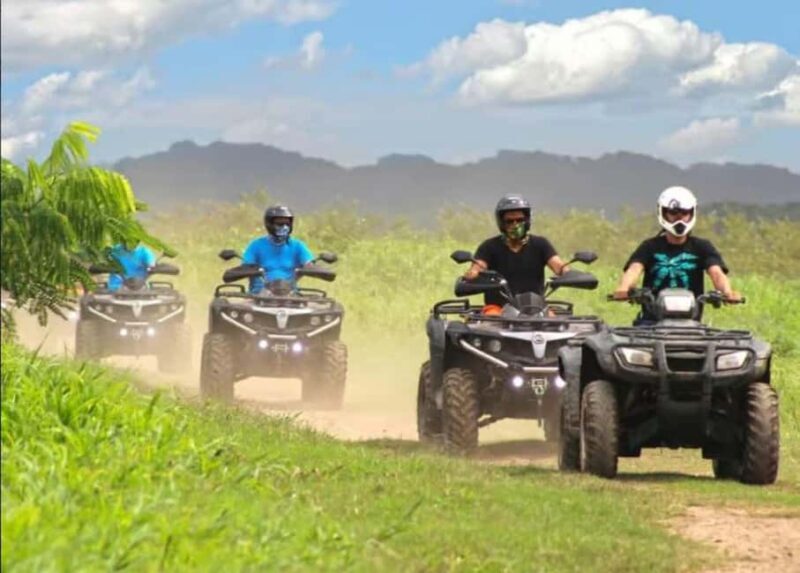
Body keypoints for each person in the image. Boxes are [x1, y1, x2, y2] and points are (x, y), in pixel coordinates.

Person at [613, 185, 741, 323]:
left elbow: (716, 273)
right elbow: (634, 269)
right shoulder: (649, 246)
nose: (679, 219)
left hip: (691, 322)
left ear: (691, 214)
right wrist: (623, 288)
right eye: (673, 213)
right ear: (663, 213)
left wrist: (727, 292)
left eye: (684, 213)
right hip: (651, 323)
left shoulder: (702, 247)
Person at [464, 195, 571, 309]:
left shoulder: (540, 244)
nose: (515, 225)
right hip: (498, 308)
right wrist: (474, 273)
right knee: (490, 319)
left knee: (553, 319)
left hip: (535, 308)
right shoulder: (489, 246)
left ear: (527, 221)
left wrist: (570, 274)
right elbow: (479, 266)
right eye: (509, 221)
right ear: (502, 223)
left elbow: (558, 266)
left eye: (520, 220)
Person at [242, 205, 315, 294]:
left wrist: (310, 267)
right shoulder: (256, 245)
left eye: (287, 224)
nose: (284, 227)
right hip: (259, 294)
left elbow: (308, 264)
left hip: (290, 294)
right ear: (269, 224)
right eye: (280, 224)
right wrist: (249, 269)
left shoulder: (297, 246)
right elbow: (246, 266)